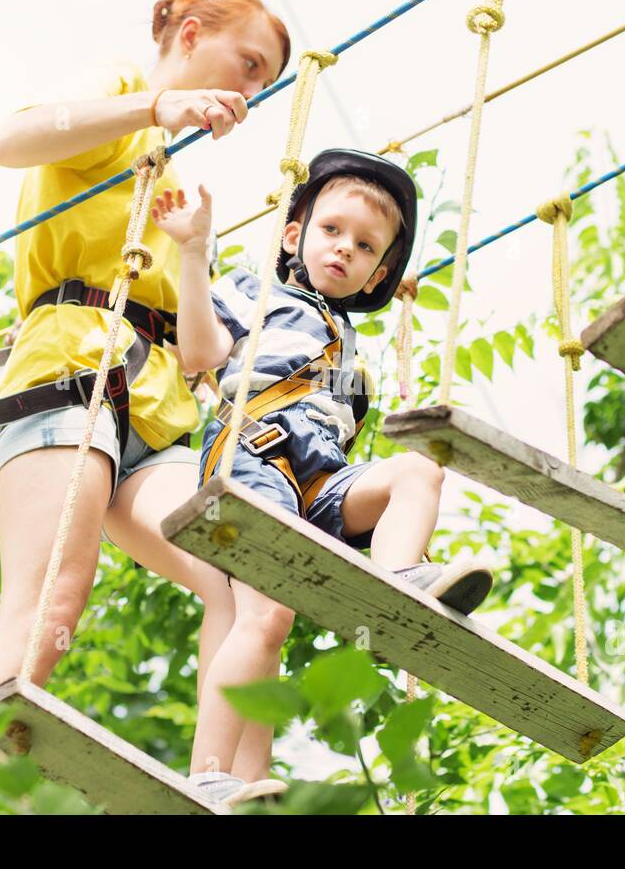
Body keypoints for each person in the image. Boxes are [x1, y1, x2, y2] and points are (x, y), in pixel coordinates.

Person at [0, 0, 291, 814]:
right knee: (49, 604)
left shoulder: (170, 181)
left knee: (242, 580)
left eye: (264, 79)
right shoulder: (121, 98)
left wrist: (195, 252)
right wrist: (156, 103)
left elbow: (201, 353)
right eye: (249, 64)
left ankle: (223, 779)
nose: (252, 90)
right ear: (191, 36)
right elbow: (9, 138)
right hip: (71, 372)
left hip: (155, 404)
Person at [155, 148, 495, 791]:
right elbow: (199, 353)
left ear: (377, 275)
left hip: (320, 479)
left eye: (365, 247)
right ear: (294, 236)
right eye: (332, 231)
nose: (344, 249)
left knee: (416, 471)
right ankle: (207, 775)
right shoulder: (254, 292)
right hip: (254, 457)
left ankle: (399, 580)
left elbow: (339, 430)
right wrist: (195, 254)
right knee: (266, 619)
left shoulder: (347, 338)